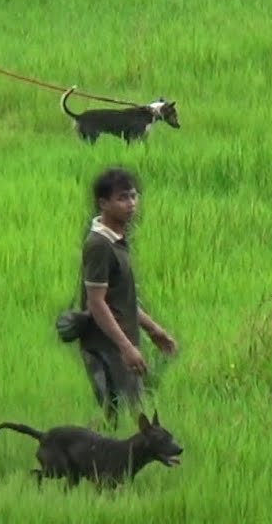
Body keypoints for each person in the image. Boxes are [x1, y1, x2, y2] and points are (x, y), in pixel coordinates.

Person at [77, 167, 178, 427]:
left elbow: (121, 299)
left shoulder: (118, 239)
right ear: (103, 203)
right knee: (124, 416)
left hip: (119, 342)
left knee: (125, 415)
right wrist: (126, 348)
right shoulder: (99, 246)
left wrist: (154, 330)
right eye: (122, 198)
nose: (131, 204)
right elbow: (96, 302)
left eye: (133, 196)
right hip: (106, 346)